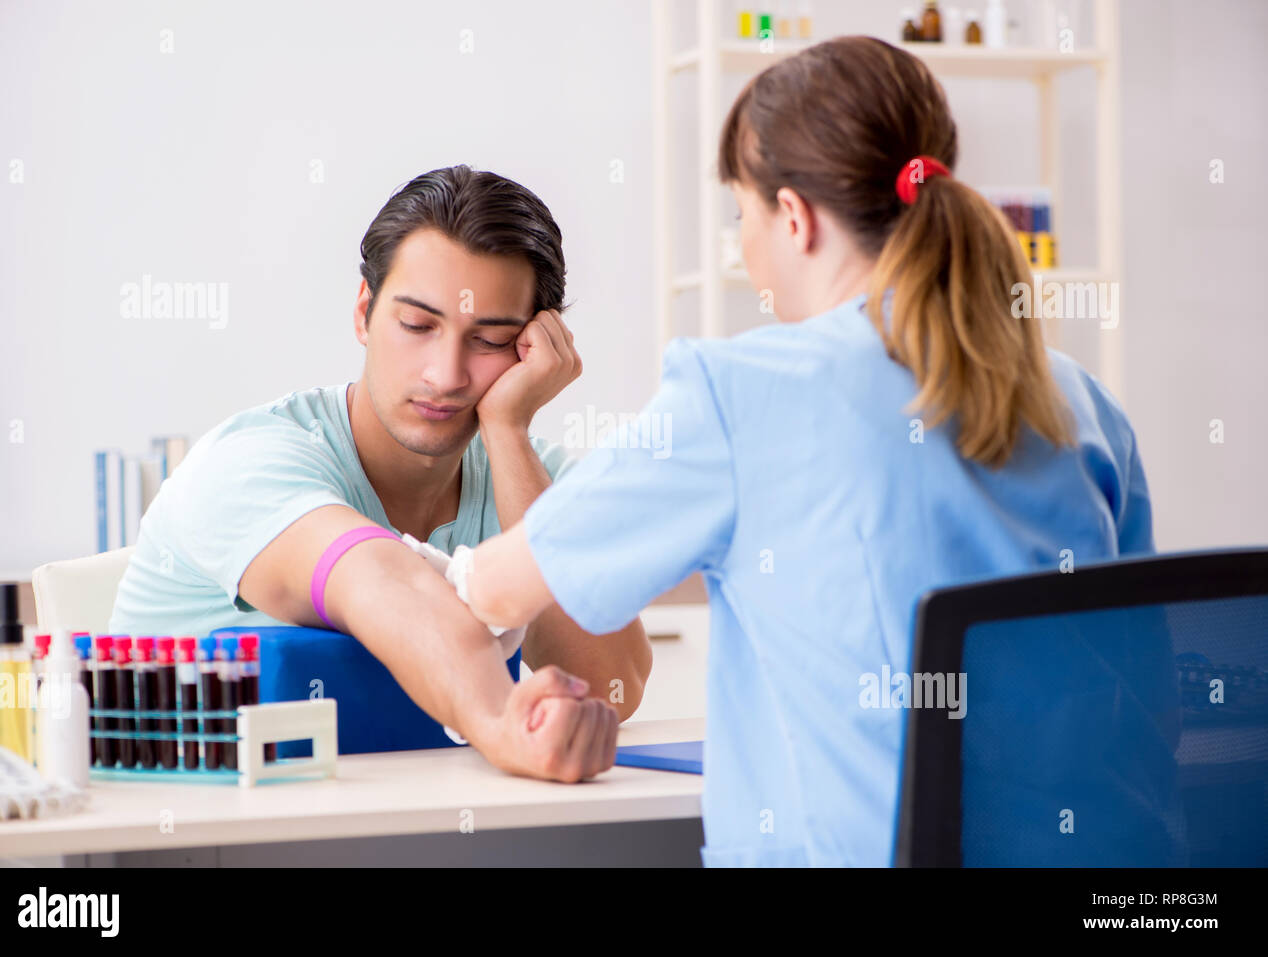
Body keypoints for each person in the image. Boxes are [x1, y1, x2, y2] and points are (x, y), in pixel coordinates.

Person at [460, 37, 1154, 866]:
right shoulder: (1081, 400)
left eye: (742, 215)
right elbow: (1145, 675)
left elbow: (502, 585)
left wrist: (479, 488)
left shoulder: (746, 389)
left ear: (794, 217)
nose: (746, 245)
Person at [107, 165, 649, 783]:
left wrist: (507, 433)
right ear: (364, 313)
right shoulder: (250, 461)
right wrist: (501, 725)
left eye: (490, 339)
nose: (445, 374)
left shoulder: (529, 473)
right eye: (417, 326)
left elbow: (611, 688)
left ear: (534, 345)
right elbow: (378, 580)